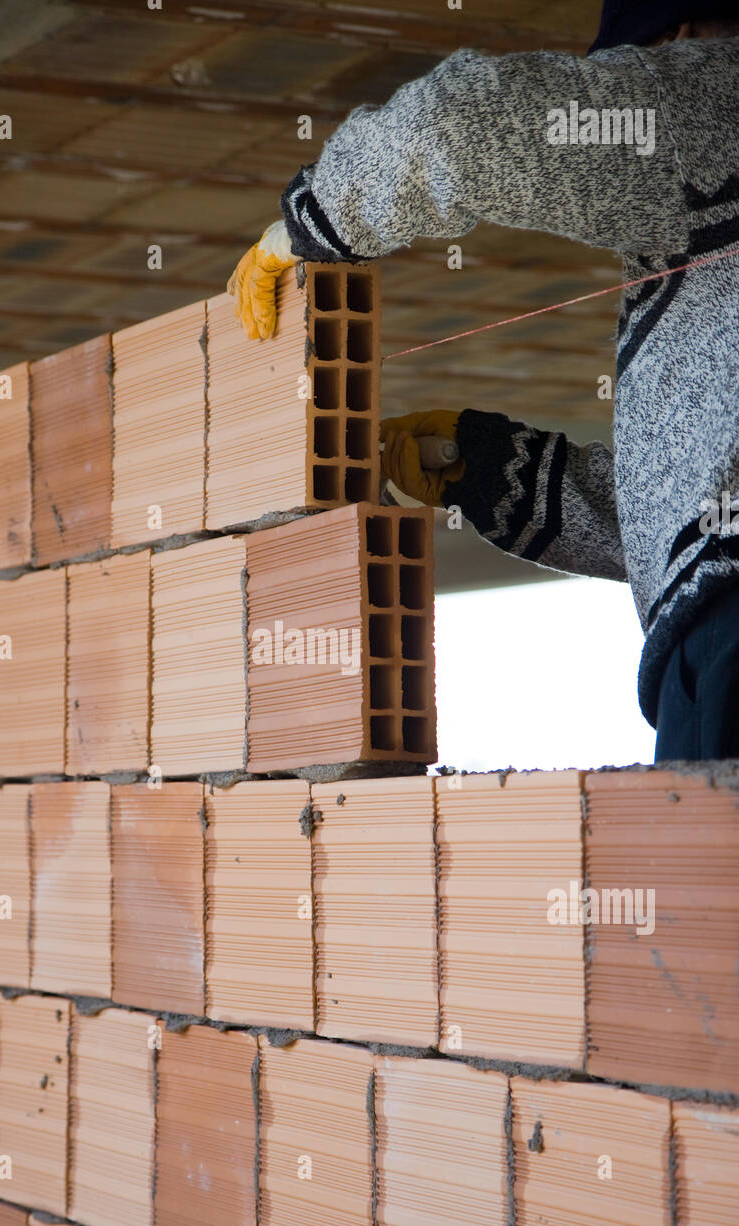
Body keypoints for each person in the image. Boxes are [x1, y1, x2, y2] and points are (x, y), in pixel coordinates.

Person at [227, 2, 739, 760]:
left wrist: (317, 217)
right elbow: (699, 524)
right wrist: (492, 467)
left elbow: (458, 126)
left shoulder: (711, 98)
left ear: (679, 38)